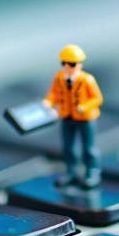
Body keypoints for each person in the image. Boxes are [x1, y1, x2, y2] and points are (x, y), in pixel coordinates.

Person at [43, 44, 104, 189]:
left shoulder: (87, 80)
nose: (67, 67)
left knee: (88, 148)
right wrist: (48, 102)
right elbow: (54, 94)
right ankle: (71, 173)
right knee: (68, 147)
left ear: (79, 64)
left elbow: (98, 99)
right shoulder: (59, 78)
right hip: (67, 117)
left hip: (85, 119)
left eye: (71, 64)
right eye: (64, 63)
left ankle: (92, 173)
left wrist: (84, 107)